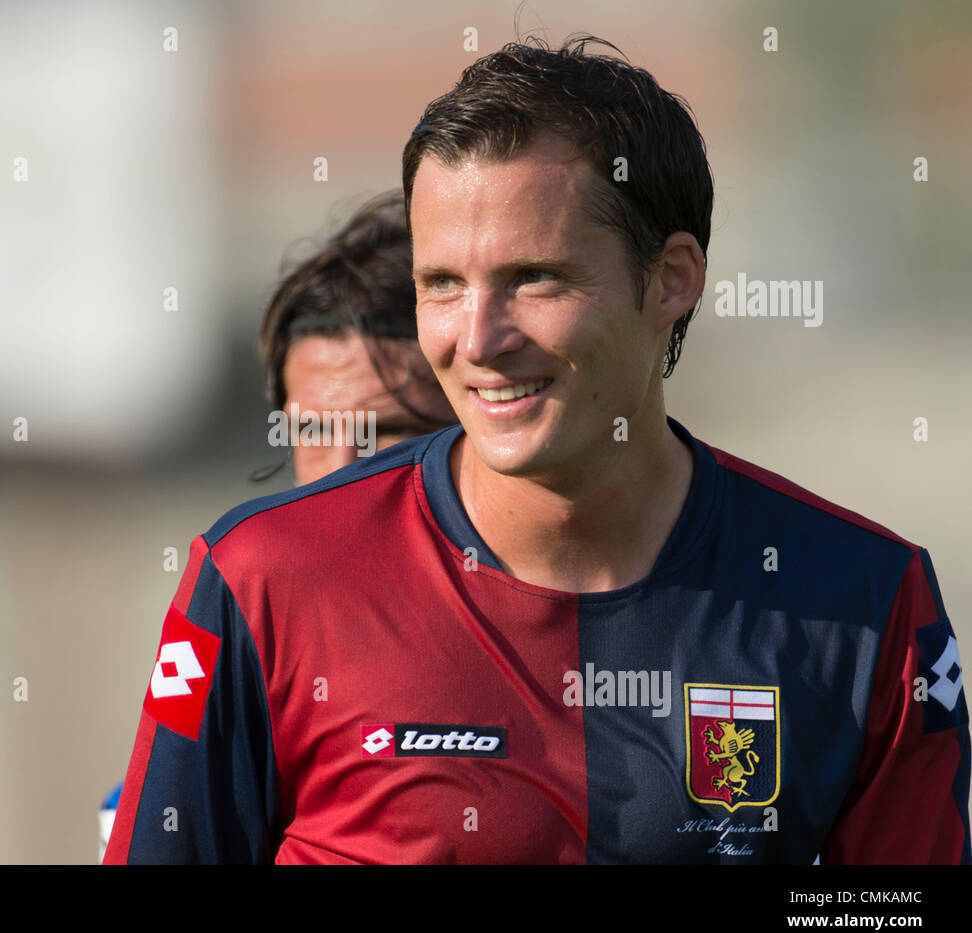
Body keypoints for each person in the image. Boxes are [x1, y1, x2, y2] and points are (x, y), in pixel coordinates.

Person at [105, 36, 969, 864]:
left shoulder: (865, 600)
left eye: (535, 279)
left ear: (671, 278)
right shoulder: (258, 578)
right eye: (442, 284)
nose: (477, 339)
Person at [99, 191, 454, 861]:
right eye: (315, 433)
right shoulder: (238, 594)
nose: (342, 473)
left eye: (392, 435)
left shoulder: (590, 602)